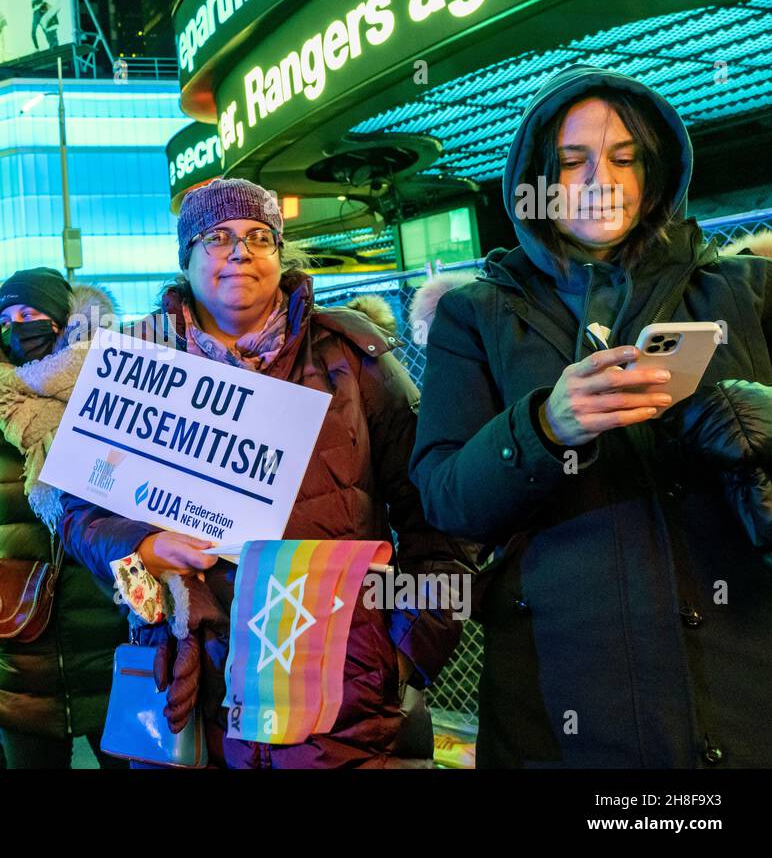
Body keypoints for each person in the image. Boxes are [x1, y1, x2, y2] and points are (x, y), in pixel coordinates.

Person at [410, 65, 772, 768]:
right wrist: (543, 428)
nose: (599, 179)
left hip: (743, 682)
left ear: (657, 173)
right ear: (537, 179)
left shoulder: (746, 291)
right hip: (558, 698)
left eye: (625, 158)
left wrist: (756, 422)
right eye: (572, 161)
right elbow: (446, 497)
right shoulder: (478, 314)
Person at [57, 177, 473, 768]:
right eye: (217, 237)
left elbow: (442, 515)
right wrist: (145, 546)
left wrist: (401, 651)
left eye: (259, 236)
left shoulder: (356, 363)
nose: (239, 252)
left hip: (338, 689)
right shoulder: (132, 364)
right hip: (186, 684)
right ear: (186, 256)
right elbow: (78, 515)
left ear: (279, 252)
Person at [0, 268, 129, 769]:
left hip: (111, 634)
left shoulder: (114, 393)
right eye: (7, 319)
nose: (18, 327)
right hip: (18, 645)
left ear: (64, 319)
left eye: (31, 314)